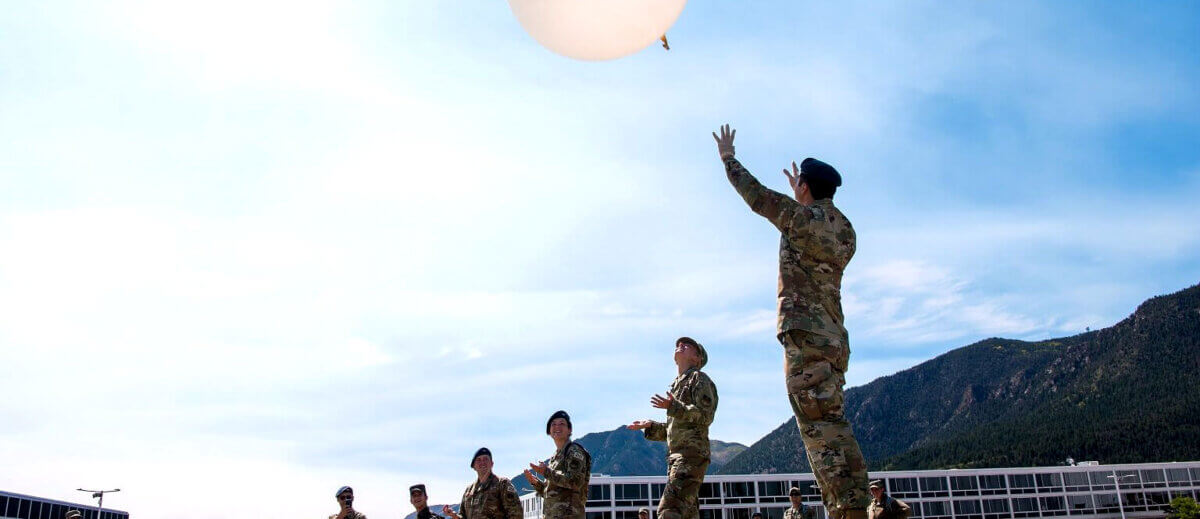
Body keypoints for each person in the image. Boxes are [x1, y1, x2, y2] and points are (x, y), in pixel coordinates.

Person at [712, 124, 868, 519]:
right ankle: (857, 501)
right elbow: (814, 225)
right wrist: (802, 196)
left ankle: (846, 509)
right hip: (833, 341)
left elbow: (759, 198)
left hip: (805, 337)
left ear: (805, 187)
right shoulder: (846, 231)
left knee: (819, 432)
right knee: (835, 422)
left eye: (799, 184)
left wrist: (729, 159)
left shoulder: (801, 220)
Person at [627, 337, 718, 519]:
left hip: (690, 456)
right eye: (680, 344)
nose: (681, 345)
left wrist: (673, 407)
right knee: (687, 514)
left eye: (689, 346)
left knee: (669, 510)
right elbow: (676, 428)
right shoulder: (677, 385)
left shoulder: (699, 379)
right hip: (677, 457)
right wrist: (651, 426)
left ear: (698, 359)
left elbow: (705, 416)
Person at [524, 410, 591, 519]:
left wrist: (546, 472)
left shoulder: (574, 451)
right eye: (553, 424)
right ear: (549, 431)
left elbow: (574, 482)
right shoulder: (554, 458)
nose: (557, 427)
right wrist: (536, 484)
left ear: (569, 430)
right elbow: (553, 494)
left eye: (562, 424)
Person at [442, 448, 523, 519]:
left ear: (492, 464)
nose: (482, 462)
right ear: (474, 466)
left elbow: (516, 515)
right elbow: (463, 516)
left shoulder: (502, 484)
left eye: (485, 459)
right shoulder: (468, 491)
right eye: (479, 460)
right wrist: (454, 515)